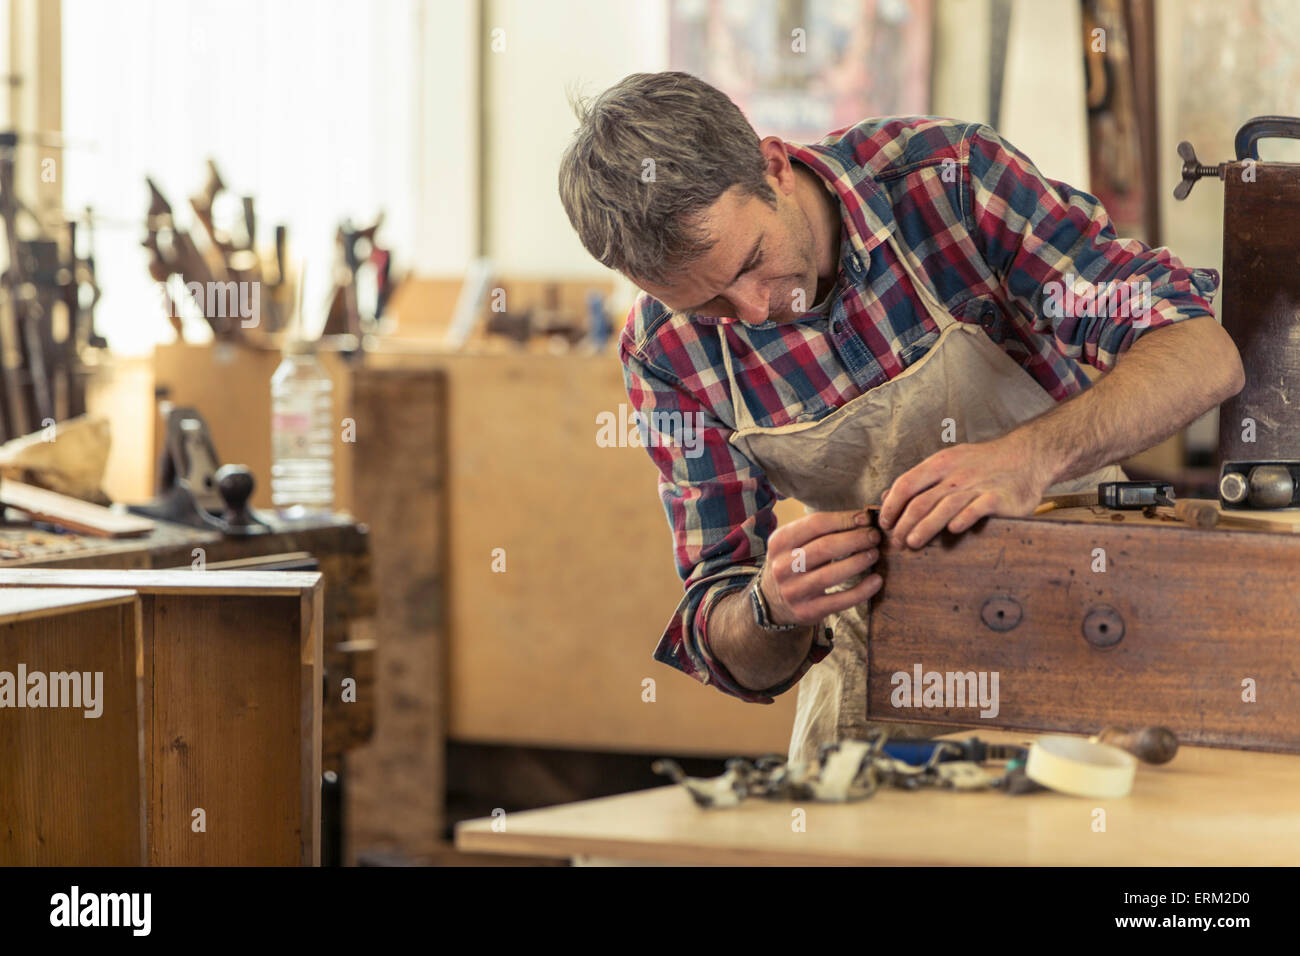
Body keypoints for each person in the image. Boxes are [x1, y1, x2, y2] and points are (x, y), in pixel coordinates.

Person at [557, 71, 1243, 765]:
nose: (758, 312)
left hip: (1090, 613)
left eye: (754, 261)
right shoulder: (665, 352)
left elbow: (1199, 351)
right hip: (887, 659)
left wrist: (1029, 458)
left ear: (774, 167)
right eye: (710, 306)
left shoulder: (951, 183)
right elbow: (723, 622)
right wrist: (770, 605)